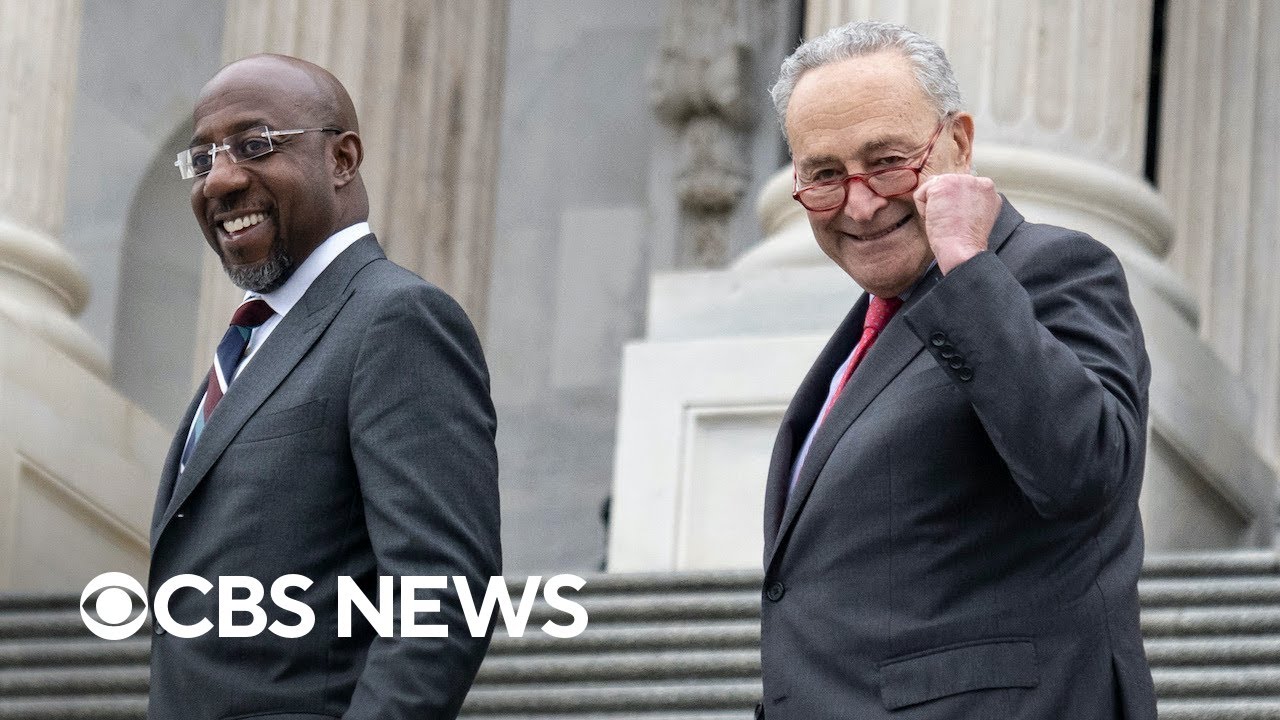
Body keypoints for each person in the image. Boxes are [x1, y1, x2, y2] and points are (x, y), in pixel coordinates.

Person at [757, 21, 1156, 719]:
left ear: (959, 143)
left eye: (887, 161)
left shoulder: (1050, 270)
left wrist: (967, 265)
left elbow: (1085, 470)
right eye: (824, 175)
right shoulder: (870, 329)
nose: (859, 202)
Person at [148, 54, 500, 719]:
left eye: (254, 146)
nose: (219, 180)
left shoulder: (395, 320)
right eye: (201, 160)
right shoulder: (253, 341)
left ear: (341, 160)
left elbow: (441, 595)